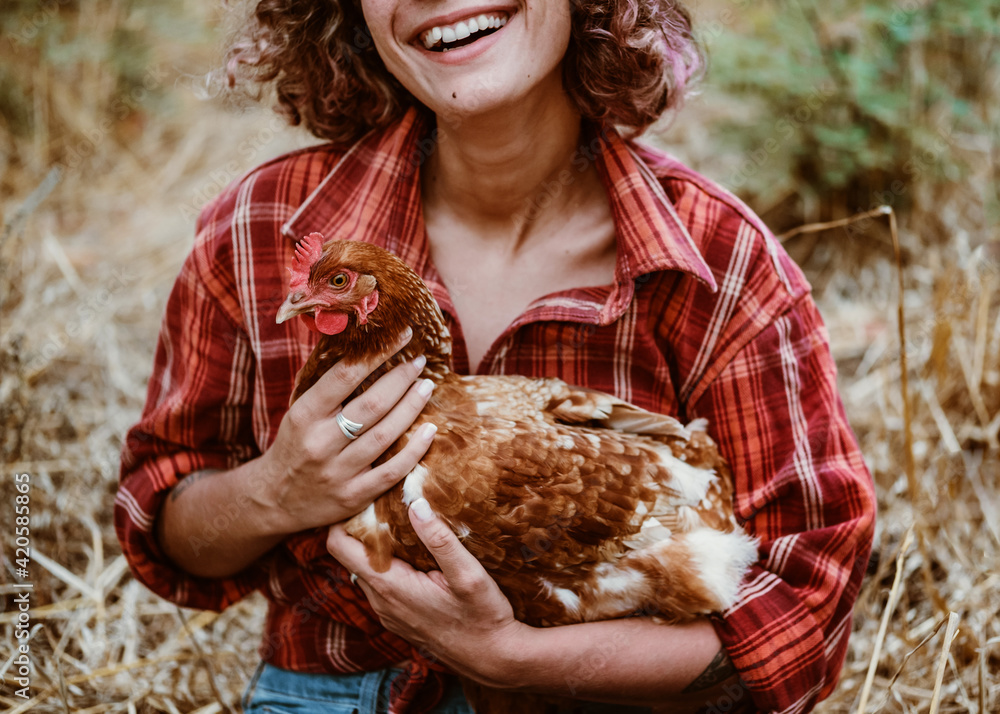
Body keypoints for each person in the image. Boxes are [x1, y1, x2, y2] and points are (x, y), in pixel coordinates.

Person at [115, 0, 876, 712]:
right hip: (339, 690)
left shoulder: (720, 264)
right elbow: (162, 515)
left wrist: (518, 659)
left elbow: (805, 607)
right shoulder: (262, 228)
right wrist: (273, 493)